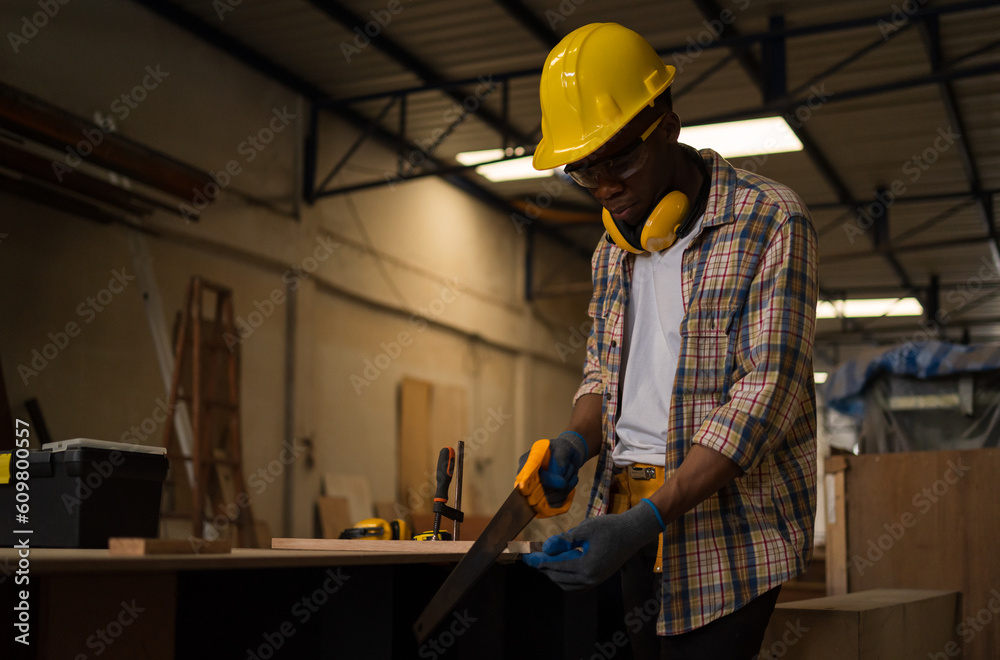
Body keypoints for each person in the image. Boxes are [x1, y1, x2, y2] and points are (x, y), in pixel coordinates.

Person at [520, 22, 819, 660]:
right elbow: (602, 373)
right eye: (584, 172)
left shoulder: (770, 220)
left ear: (670, 125)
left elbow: (768, 392)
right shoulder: (611, 252)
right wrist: (577, 438)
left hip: (727, 534)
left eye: (622, 159)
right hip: (626, 510)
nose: (605, 188)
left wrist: (651, 516)